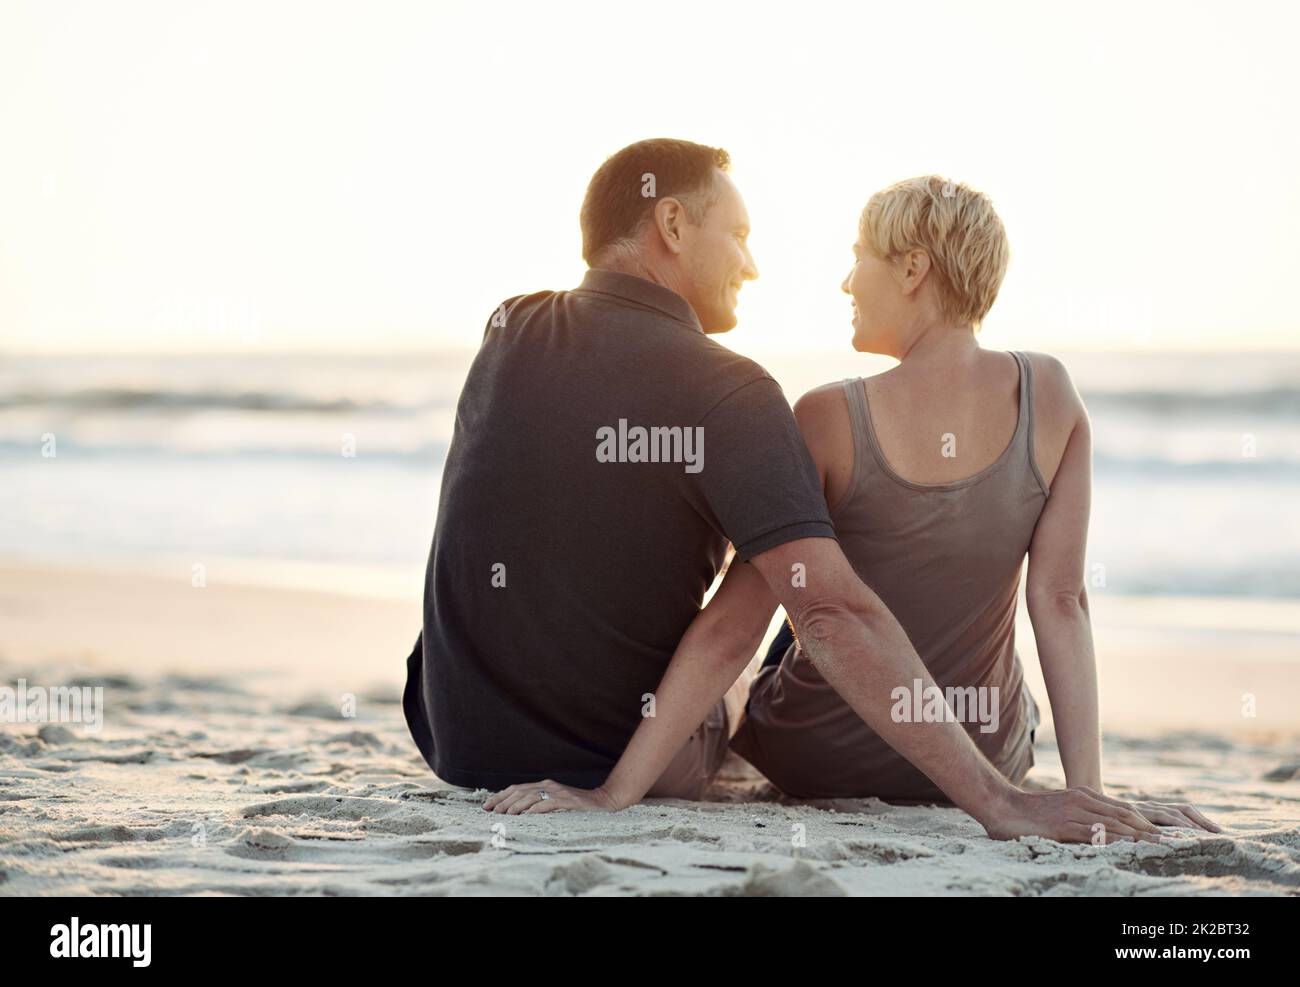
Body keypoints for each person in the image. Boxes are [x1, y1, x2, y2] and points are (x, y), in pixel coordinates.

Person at [412, 138, 1172, 843]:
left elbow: (694, 602)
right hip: (640, 757)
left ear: (911, 270)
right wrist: (1032, 798)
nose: (752, 265)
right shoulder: (735, 391)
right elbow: (859, 609)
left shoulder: (508, 326)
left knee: (761, 605)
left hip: (452, 733)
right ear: (671, 225)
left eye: (857, 258)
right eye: (738, 236)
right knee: (785, 606)